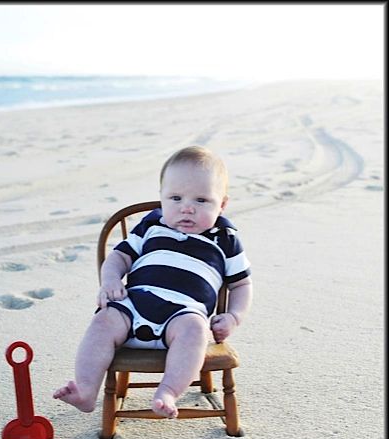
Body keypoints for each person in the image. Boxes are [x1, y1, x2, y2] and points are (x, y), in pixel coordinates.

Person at [53, 146, 253, 418]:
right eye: (175, 198)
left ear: (223, 204)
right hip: (133, 307)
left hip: (183, 315)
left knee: (195, 332)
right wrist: (109, 280)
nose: (187, 208)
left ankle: (168, 390)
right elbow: (119, 257)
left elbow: (241, 285)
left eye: (202, 200)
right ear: (161, 198)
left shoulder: (225, 239)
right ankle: (86, 390)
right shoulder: (152, 226)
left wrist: (233, 316)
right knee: (102, 322)